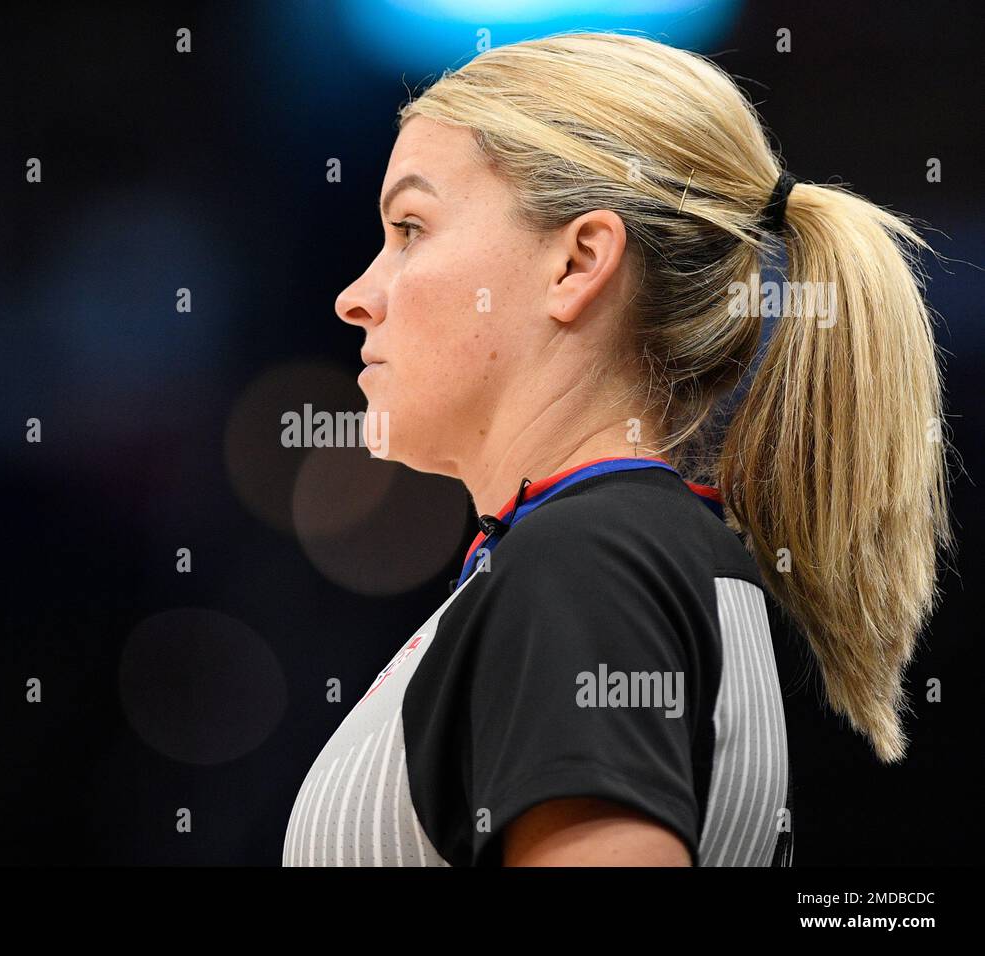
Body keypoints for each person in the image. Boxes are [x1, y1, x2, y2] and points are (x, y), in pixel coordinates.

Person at [281, 32, 953, 867]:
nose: (356, 297)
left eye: (410, 227)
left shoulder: (585, 562)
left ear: (579, 262)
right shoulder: (633, 550)